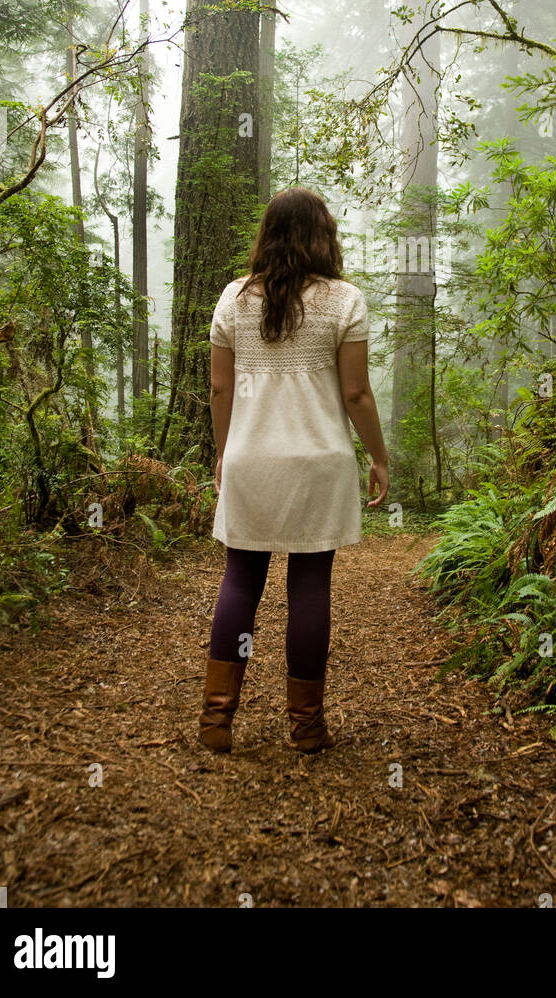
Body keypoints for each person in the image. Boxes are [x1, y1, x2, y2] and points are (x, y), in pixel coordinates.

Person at [198, 187, 389, 755]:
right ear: (322, 235)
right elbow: (356, 393)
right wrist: (378, 457)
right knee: (310, 585)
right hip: (319, 462)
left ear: (267, 235)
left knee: (240, 581)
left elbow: (219, 387)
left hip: (251, 458)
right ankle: (306, 727)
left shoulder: (232, 300)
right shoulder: (344, 300)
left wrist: (223, 451)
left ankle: (216, 721)